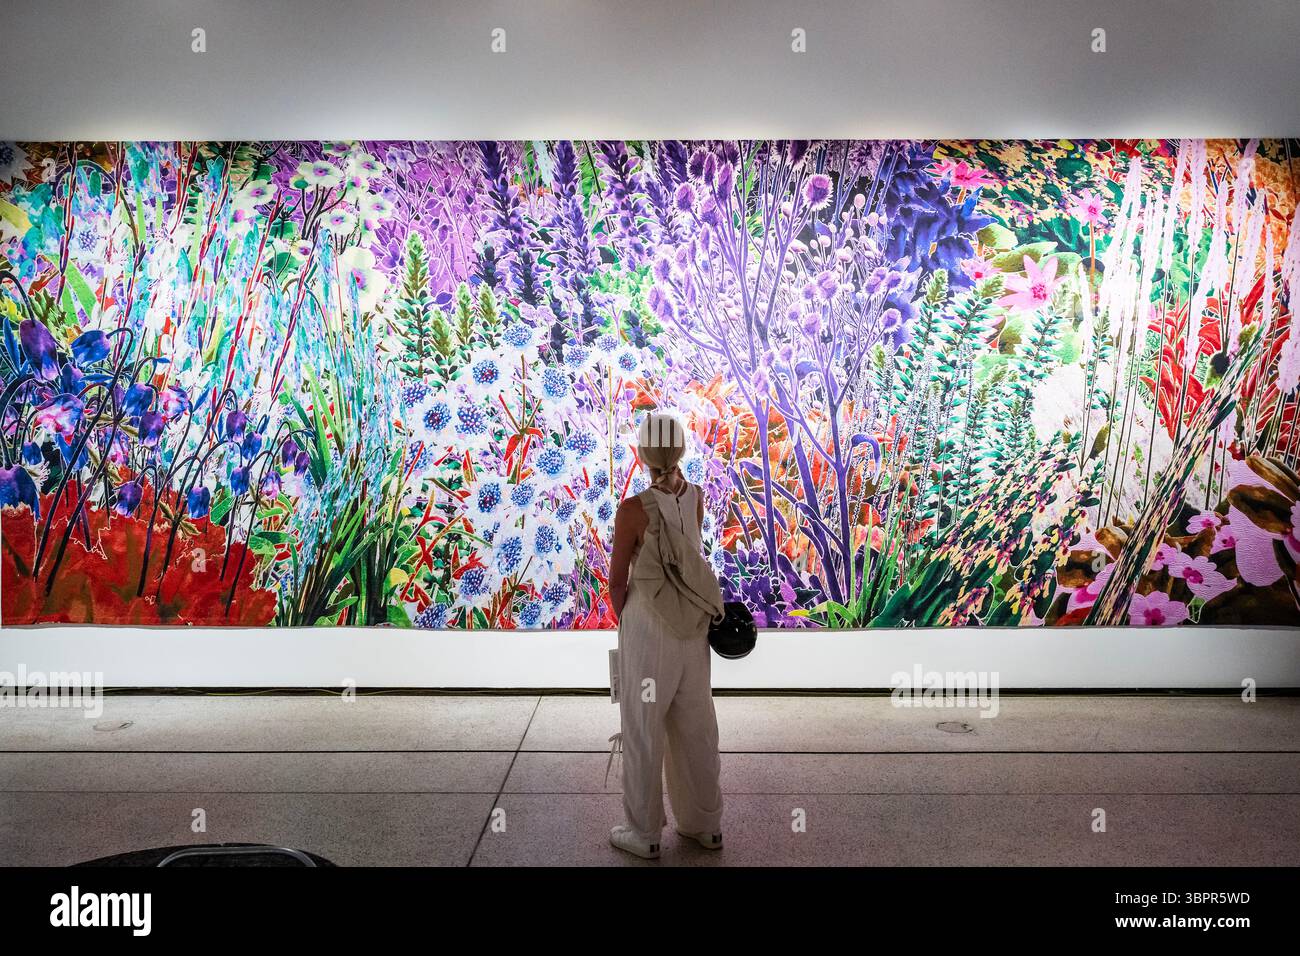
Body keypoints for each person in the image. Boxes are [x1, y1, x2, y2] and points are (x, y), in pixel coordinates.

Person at [606, 412, 726, 860]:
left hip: (649, 624)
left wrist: (629, 621)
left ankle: (645, 833)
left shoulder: (633, 510)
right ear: (681, 450)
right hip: (692, 628)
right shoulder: (695, 497)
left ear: (640, 455)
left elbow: (618, 580)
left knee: (643, 728)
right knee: (696, 724)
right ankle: (704, 824)